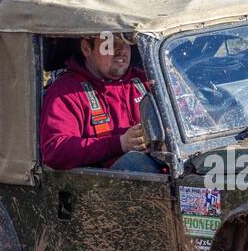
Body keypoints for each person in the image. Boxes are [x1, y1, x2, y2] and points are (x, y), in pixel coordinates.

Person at [39, 34, 160, 172]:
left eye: (126, 41)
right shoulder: (65, 91)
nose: (121, 50)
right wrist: (120, 143)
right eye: (110, 43)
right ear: (86, 49)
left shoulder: (148, 80)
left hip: (160, 175)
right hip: (100, 186)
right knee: (135, 163)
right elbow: (55, 151)